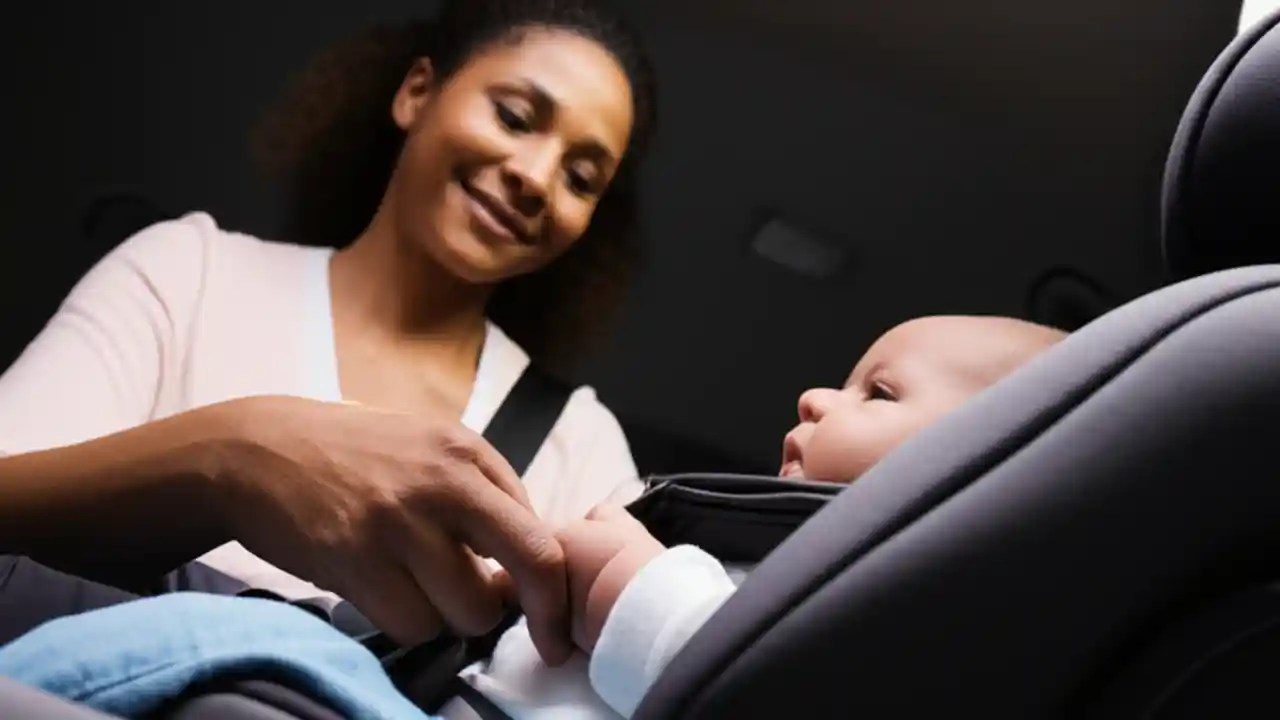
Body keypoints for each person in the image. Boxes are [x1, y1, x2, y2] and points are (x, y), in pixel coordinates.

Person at [0, 0, 657, 665]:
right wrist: (228, 465)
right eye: (514, 117)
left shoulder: (580, 441)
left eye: (581, 178)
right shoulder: (189, 273)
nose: (536, 178)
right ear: (417, 92)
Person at [0, 316, 1067, 719]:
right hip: (391, 675)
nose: (813, 399)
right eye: (517, 116)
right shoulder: (192, 269)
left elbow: (754, 678)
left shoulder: (865, 631)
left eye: (877, 395)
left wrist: (621, 582)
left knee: (245, 643)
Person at [457, 315, 1068, 719]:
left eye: (877, 393)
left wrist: (643, 601)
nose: (815, 397)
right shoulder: (752, 542)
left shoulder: (909, 624)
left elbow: (794, 694)